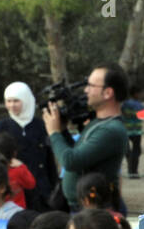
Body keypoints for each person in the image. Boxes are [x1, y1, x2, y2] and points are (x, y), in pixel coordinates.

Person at [45, 62, 130, 212]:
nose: (86, 90)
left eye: (91, 86)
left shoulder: (111, 130)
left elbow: (71, 161)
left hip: (93, 211)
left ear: (108, 93)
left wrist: (54, 132)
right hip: (84, 208)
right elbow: (78, 153)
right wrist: (63, 130)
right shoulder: (99, 123)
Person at [0, 82, 55, 211]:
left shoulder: (42, 124)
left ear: (26, 100)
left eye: (16, 101)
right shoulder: (0, 127)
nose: (12, 105)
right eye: (8, 101)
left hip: (42, 190)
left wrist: (53, 186)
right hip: (15, 193)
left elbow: (49, 158)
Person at [0, 131, 36, 209]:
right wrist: (22, 166)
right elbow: (31, 184)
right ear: (14, 153)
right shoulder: (18, 171)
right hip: (16, 212)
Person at [121, 93, 144, 178]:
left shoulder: (123, 104)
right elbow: (143, 115)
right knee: (136, 151)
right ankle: (134, 171)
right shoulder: (138, 105)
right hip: (136, 131)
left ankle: (130, 170)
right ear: (136, 94)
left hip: (125, 131)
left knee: (127, 152)